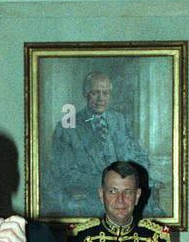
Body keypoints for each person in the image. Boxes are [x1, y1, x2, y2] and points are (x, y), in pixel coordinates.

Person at [44, 71, 151, 214]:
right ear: (85, 94)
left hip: (126, 200)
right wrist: (109, 186)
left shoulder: (119, 120)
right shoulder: (67, 127)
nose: (101, 98)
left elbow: (140, 155)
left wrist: (132, 182)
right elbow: (65, 174)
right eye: (95, 93)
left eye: (105, 93)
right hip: (88, 201)